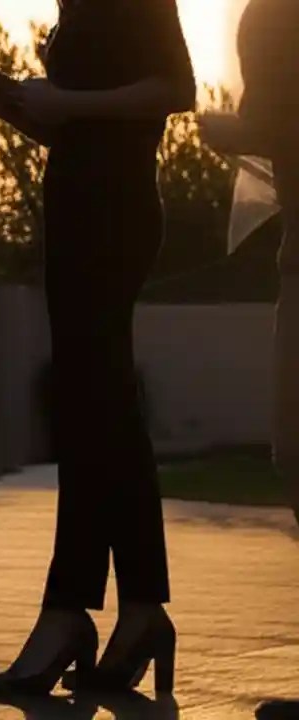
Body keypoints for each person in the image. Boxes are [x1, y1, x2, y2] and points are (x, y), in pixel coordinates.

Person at [0, 0, 196, 696]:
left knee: (94, 410)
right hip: (75, 202)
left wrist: (66, 101)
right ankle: (137, 611)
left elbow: (175, 88)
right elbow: (88, 115)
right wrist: (25, 105)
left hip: (113, 210)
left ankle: (70, 613)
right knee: (100, 412)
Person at [198, 0, 299, 528]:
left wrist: (243, 134)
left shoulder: (271, 19)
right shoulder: (264, 17)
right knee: (291, 448)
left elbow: (268, 123)